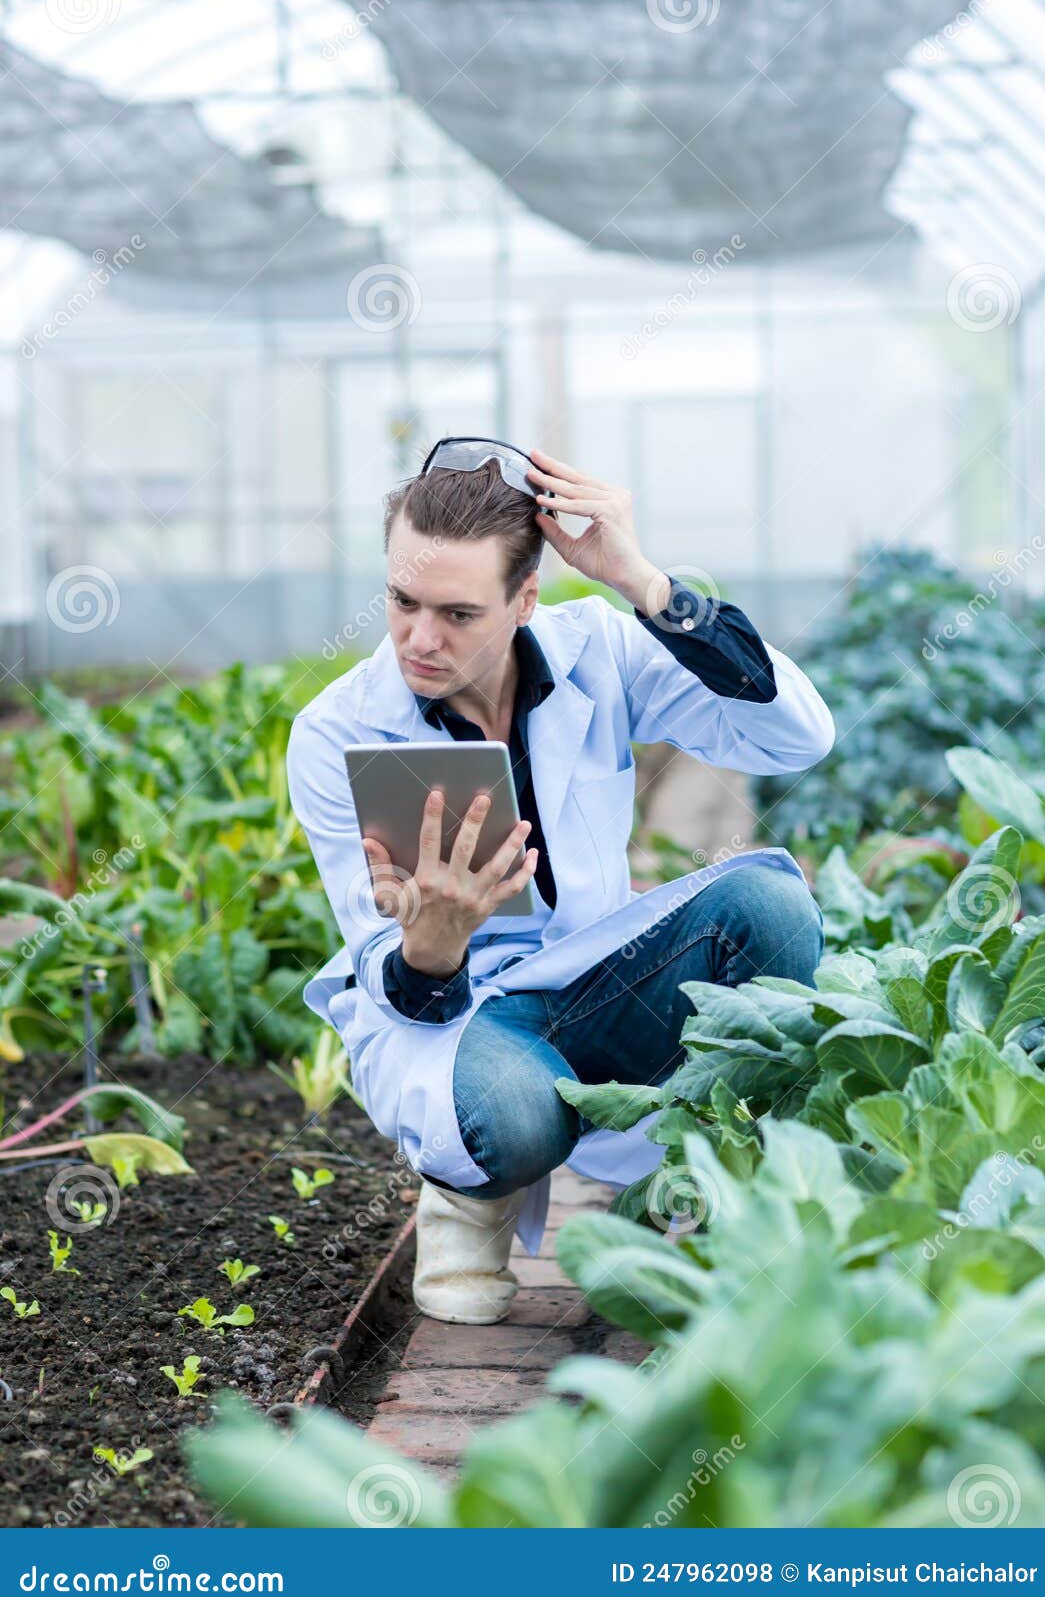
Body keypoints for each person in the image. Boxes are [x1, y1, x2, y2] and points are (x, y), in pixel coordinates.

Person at [286, 437, 834, 1325]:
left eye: (458, 613)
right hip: (460, 1020)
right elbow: (385, 966)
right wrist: (432, 946)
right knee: (507, 1117)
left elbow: (794, 738)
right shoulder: (337, 733)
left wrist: (645, 584)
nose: (419, 640)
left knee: (768, 907)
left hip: (595, 978)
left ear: (525, 599)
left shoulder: (599, 652)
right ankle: (467, 1197)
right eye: (401, 601)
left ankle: (708, 1178)